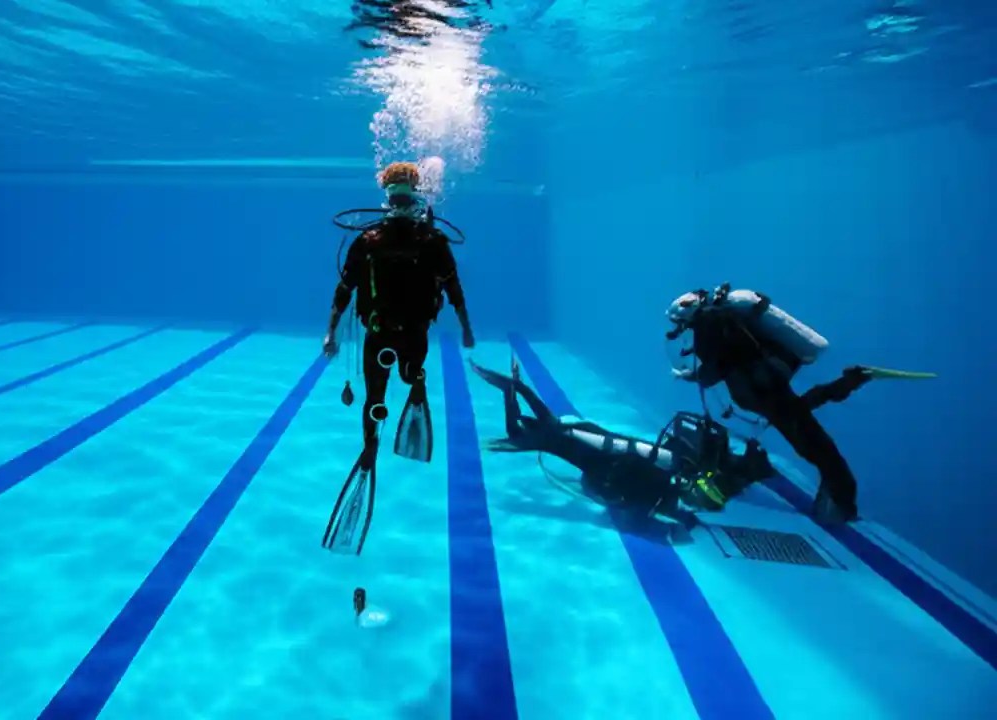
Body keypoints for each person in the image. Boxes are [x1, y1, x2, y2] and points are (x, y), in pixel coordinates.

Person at [665, 283, 935, 524]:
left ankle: (843, 506)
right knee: (804, 426)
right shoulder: (720, 319)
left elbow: (716, 367)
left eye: (679, 322)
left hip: (762, 389)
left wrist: (691, 376)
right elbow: (726, 361)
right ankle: (851, 381)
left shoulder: (710, 324)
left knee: (816, 446)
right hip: (765, 387)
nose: (679, 328)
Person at [320, 161, 475, 555]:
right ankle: (370, 447)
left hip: (415, 334)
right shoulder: (368, 241)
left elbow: (454, 287)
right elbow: (345, 288)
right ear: (387, 200)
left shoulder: (433, 243)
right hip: (377, 334)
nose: (402, 204)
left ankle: (417, 389)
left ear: (418, 197)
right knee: (374, 400)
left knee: (410, 376)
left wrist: (466, 325)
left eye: (408, 196)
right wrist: (331, 331)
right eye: (396, 197)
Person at [470, 357, 778, 531]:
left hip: (622, 456)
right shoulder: (552, 433)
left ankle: (514, 391)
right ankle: (513, 391)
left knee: (552, 436)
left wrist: (514, 389)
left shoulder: (550, 435)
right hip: (618, 456)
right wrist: (512, 389)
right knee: (553, 437)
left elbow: (527, 421)